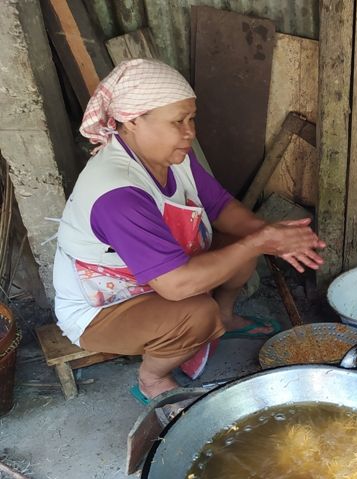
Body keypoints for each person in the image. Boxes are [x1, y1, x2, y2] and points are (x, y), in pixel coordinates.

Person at [53, 59, 326, 401]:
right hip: (105, 306)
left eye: (191, 118)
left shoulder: (172, 157)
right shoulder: (117, 194)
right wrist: (260, 241)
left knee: (244, 242)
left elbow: (219, 206)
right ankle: (152, 378)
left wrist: (270, 236)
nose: (190, 132)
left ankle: (223, 321)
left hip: (158, 278)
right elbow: (177, 286)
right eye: (177, 121)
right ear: (132, 120)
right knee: (198, 314)